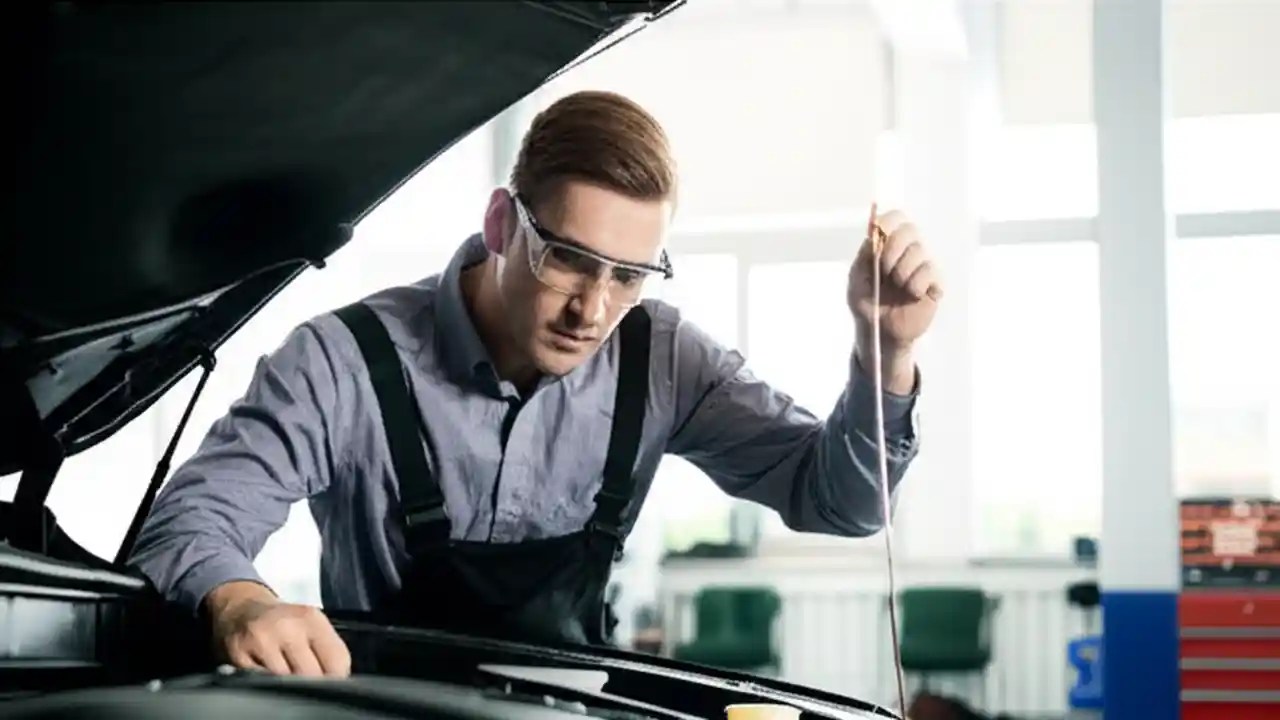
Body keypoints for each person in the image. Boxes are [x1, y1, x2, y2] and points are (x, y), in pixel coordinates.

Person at [127, 90, 942, 679]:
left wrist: (887, 350)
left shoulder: (664, 359)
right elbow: (191, 521)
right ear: (500, 225)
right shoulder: (343, 362)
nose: (594, 309)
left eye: (629, 276)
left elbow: (843, 502)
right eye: (571, 261)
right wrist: (240, 601)